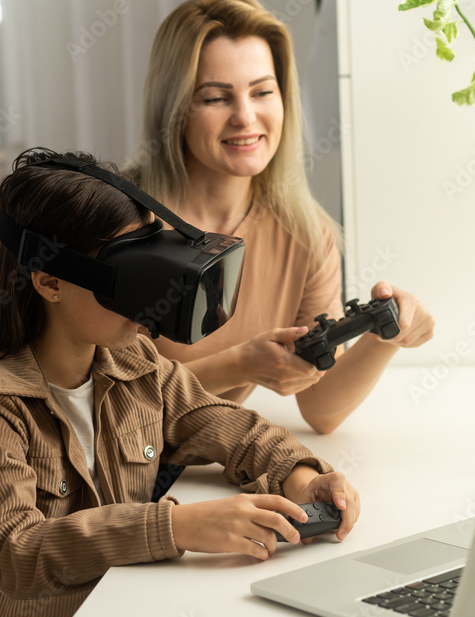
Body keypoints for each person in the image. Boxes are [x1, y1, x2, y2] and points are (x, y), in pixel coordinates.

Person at [0, 148, 361, 617]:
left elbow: (228, 427)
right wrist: (178, 526)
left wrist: (302, 477)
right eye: (130, 271)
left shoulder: (135, 363)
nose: (154, 293)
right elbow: (18, 553)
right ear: (49, 281)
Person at [128, 0, 435, 435]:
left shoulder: (306, 234)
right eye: (215, 97)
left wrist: (386, 334)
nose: (245, 117)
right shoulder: (119, 222)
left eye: (262, 91)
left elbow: (322, 409)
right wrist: (240, 365)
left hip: (220, 476)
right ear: (174, 108)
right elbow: (101, 401)